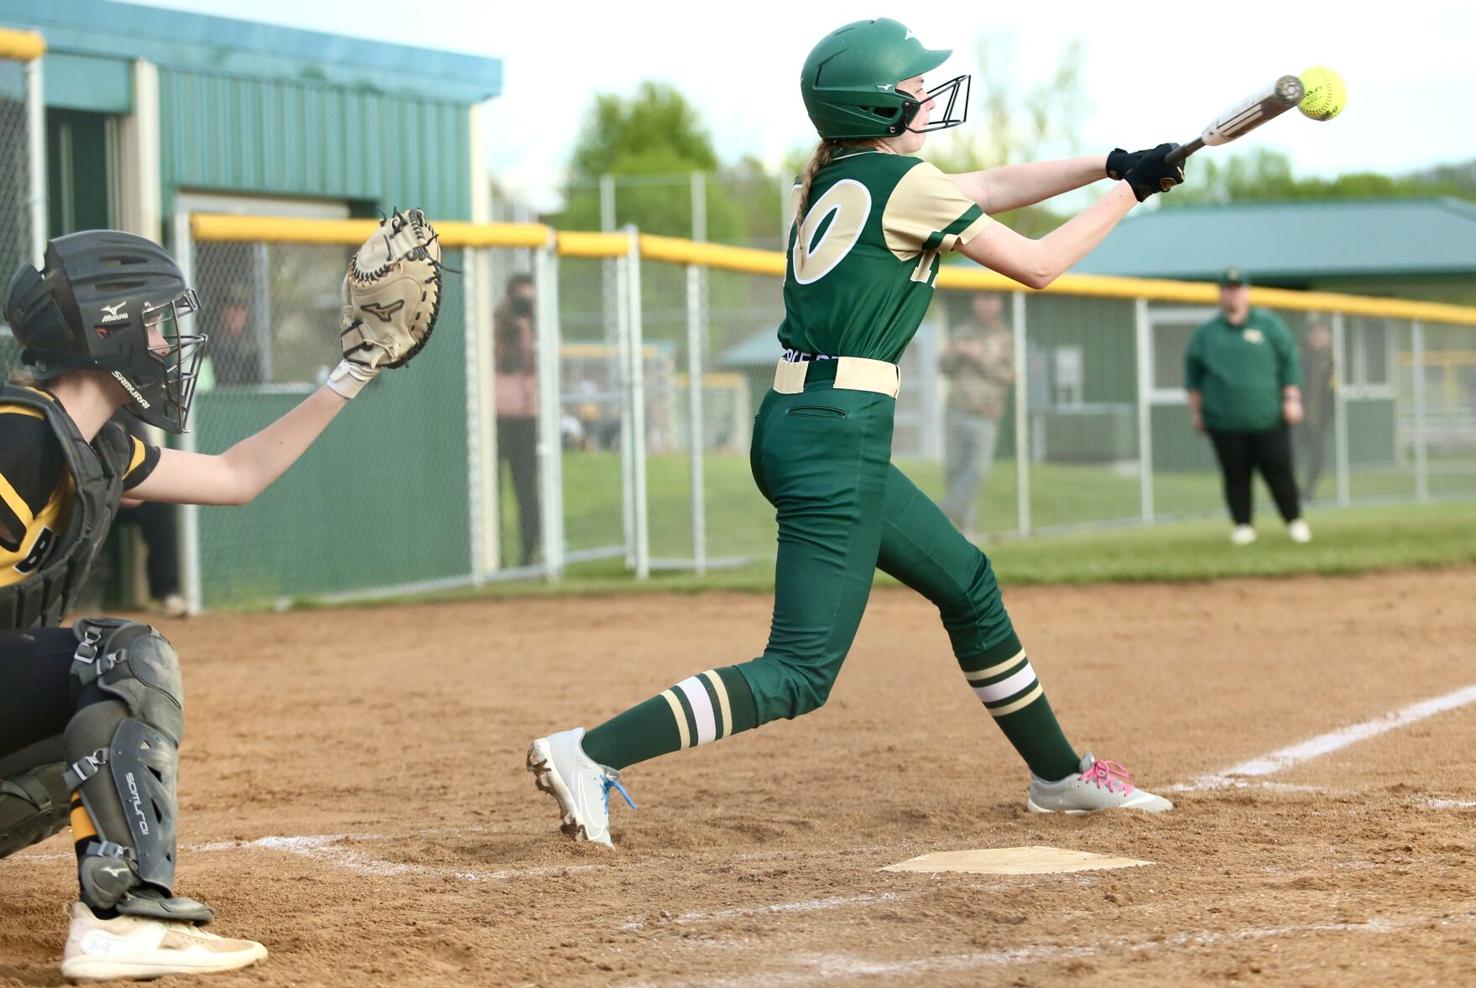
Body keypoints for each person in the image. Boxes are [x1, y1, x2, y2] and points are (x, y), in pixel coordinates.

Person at [527, 17, 1184, 848]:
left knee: (968, 584)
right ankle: (589, 751)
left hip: (811, 424)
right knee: (800, 671)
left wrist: (1110, 163)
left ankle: (1058, 777)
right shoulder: (903, 184)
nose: (925, 94)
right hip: (835, 434)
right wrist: (1129, 197)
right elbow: (1040, 264)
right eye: (910, 86)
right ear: (874, 108)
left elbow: (989, 184)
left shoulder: (845, 179)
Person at [0, 228, 430, 979]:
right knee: (121, 658)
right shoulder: (18, 430)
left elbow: (238, 474)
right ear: (113, 329)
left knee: (84, 723)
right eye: (162, 324)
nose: (174, 343)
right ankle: (123, 919)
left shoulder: (96, 447)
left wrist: (353, 370)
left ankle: (123, 913)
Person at [1186, 268, 1311, 546]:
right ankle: (1243, 525)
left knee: (1279, 471)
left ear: (1247, 291)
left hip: (1268, 417)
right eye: (1228, 288)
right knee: (1235, 475)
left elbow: (1289, 361)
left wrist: (1292, 398)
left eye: (1238, 287)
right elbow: (1193, 377)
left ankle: (1294, 520)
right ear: (1221, 293)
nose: (1233, 293)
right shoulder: (1207, 333)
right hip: (1224, 420)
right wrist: (1196, 413)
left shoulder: (1268, 324)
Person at [939, 293, 1014, 536]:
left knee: (977, 470)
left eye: (991, 299)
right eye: (982, 299)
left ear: (999, 304)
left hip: (986, 414)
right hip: (956, 411)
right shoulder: (962, 332)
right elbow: (943, 367)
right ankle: (963, 532)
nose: (986, 304)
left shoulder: (1004, 338)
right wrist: (958, 351)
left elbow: (1008, 376)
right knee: (954, 470)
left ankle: (945, 511)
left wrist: (981, 357)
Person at [493, 273, 541, 567]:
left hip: (527, 418)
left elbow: (539, 363)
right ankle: (491, 556)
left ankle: (529, 554)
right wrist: (506, 323)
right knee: (490, 491)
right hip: (492, 419)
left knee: (527, 490)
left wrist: (529, 328)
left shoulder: (537, 327)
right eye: (520, 299)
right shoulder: (494, 323)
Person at [1296, 316, 1336, 502]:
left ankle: (1307, 493)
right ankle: (1291, 493)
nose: (1320, 337)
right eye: (1316, 333)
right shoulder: (1300, 355)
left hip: (1317, 421)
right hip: (1298, 419)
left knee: (1319, 460)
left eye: (1324, 333)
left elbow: (1332, 391)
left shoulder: (1330, 359)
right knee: (1287, 459)